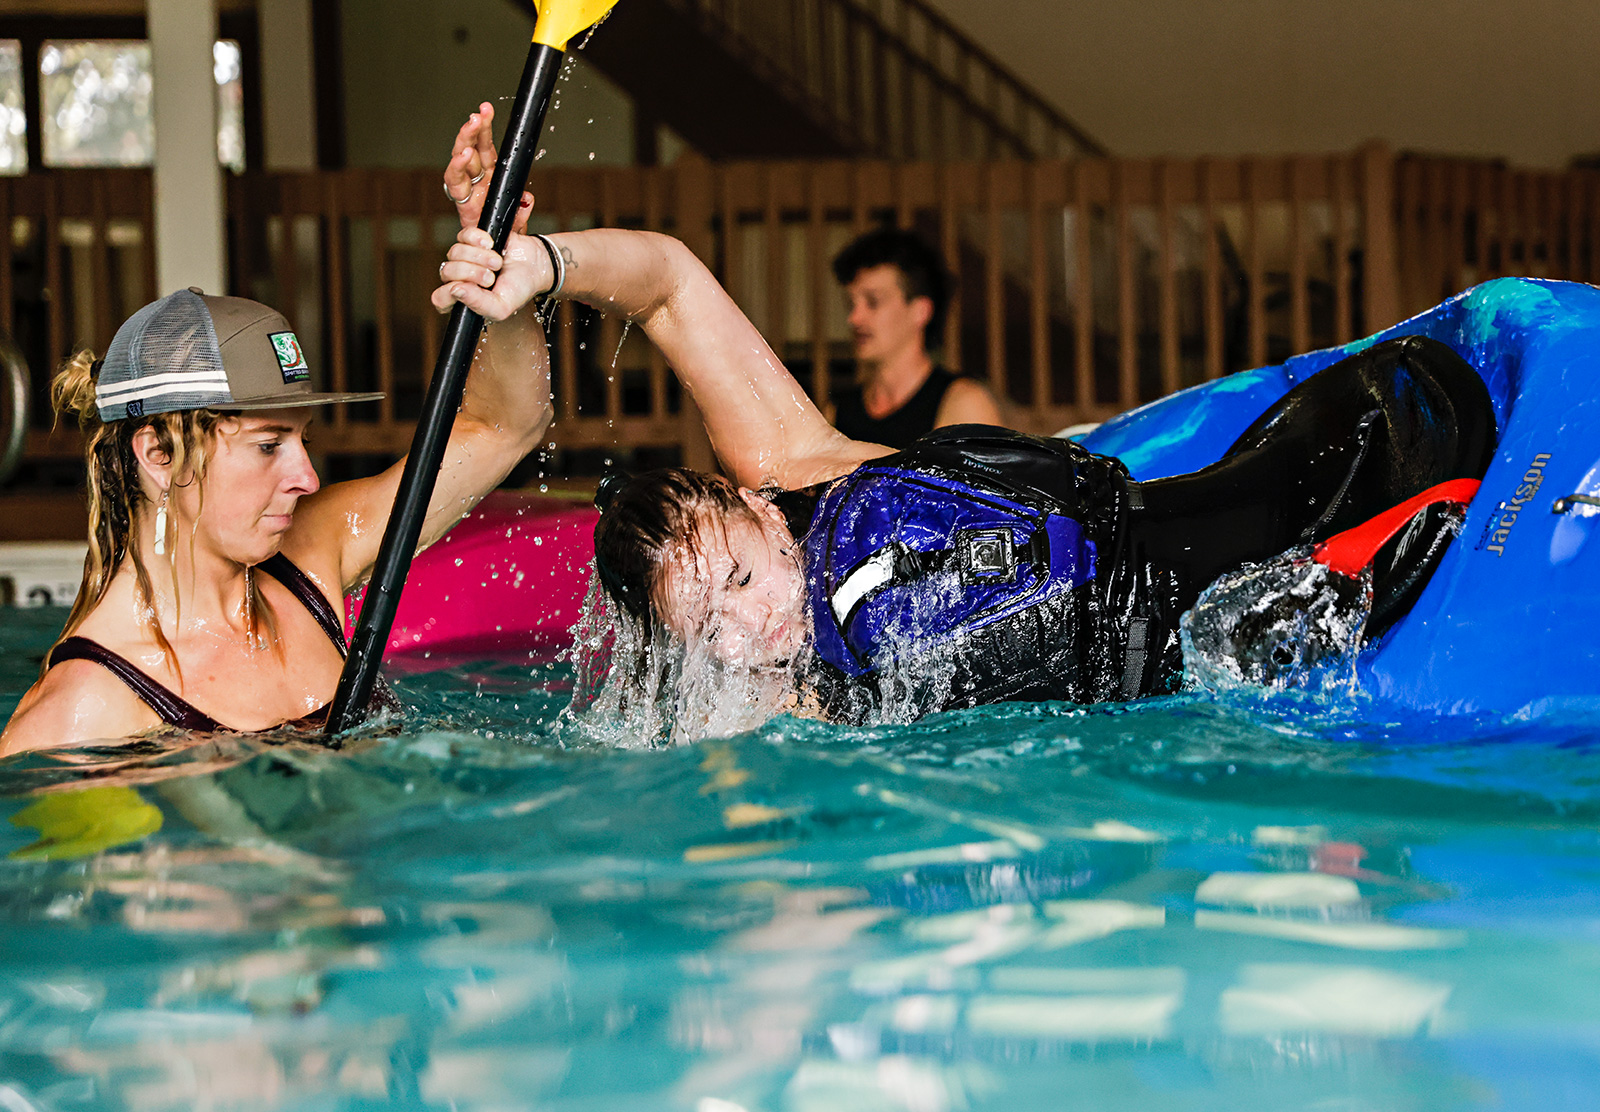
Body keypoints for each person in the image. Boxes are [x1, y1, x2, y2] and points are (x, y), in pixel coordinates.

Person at [432, 110, 1496, 725]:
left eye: (744, 579)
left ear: (759, 510)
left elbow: (664, 282)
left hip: (1333, 475)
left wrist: (543, 266)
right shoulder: (767, 720)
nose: (749, 625)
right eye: (708, 627)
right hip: (1202, 676)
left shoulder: (799, 464)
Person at [0, 127, 553, 754]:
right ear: (158, 454)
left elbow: (508, 426)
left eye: (301, 440)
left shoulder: (311, 554)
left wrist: (503, 263)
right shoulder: (82, 710)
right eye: (269, 445)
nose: (308, 477)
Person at [830, 228, 1003, 447]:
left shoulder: (963, 404)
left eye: (873, 302)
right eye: (851, 304)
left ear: (920, 311)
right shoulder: (838, 412)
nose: (855, 318)